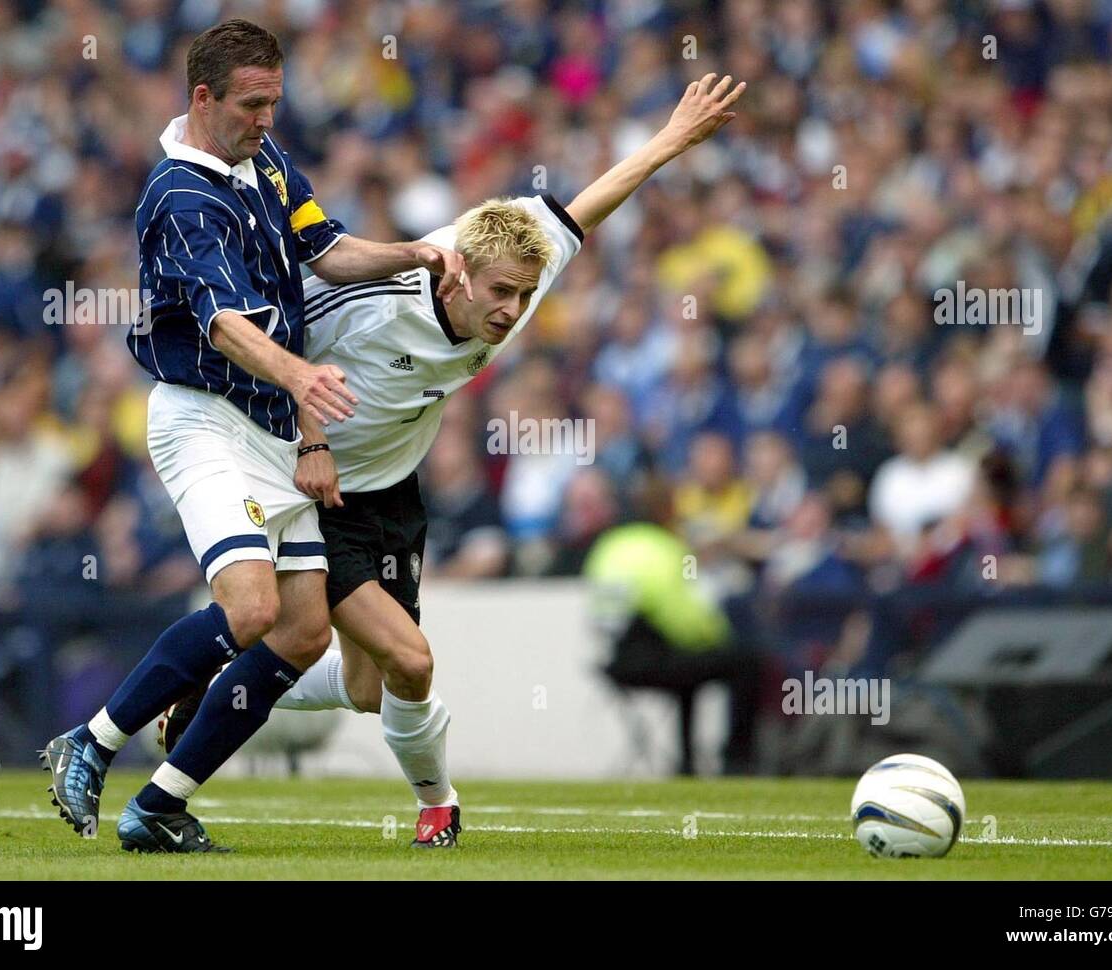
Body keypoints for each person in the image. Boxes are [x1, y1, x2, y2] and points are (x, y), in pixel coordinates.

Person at [160, 73, 748, 838]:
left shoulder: (520, 273)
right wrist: (301, 445)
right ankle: (438, 809)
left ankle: (210, 683)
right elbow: (281, 352)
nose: (511, 311)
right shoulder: (374, 300)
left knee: (373, 688)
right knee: (413, 658)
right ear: (459, 272)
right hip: (323, 492)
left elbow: (586, 208)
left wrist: (672, 139)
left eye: (523, 296)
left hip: (396, 495)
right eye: (500, 293)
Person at [40, 19, 468, 853]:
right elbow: (228, 323)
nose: (268, 117)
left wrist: (412, 253)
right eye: (252, 103)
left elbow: (326, 249)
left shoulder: (263, 161)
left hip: (273, 422)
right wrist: (303, 380)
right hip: (205, 417)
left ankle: (161, 805)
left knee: (304, 634)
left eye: (275, 100)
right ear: (203, 98)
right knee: (251, 606)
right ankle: (89, 743)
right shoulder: (181, 197)